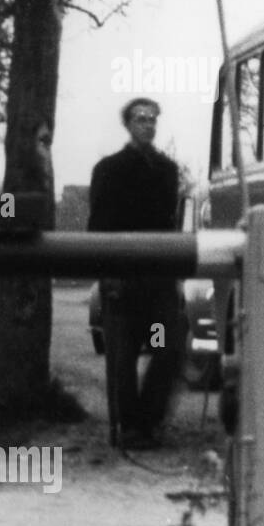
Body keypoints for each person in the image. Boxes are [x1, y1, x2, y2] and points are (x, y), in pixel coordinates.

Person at [89, 97, 182, 449]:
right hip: (123, 283)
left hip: (158, 284)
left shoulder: (167, 171)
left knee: (167, 347)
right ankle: (127, 428)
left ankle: (149, 420)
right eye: (140, 118)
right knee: (123, 358)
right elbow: (98, 228)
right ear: (127, 124)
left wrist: (174, 275)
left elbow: (169, 226)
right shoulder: (109, 170)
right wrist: (107, 275)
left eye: (152, 119)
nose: (147, 124)